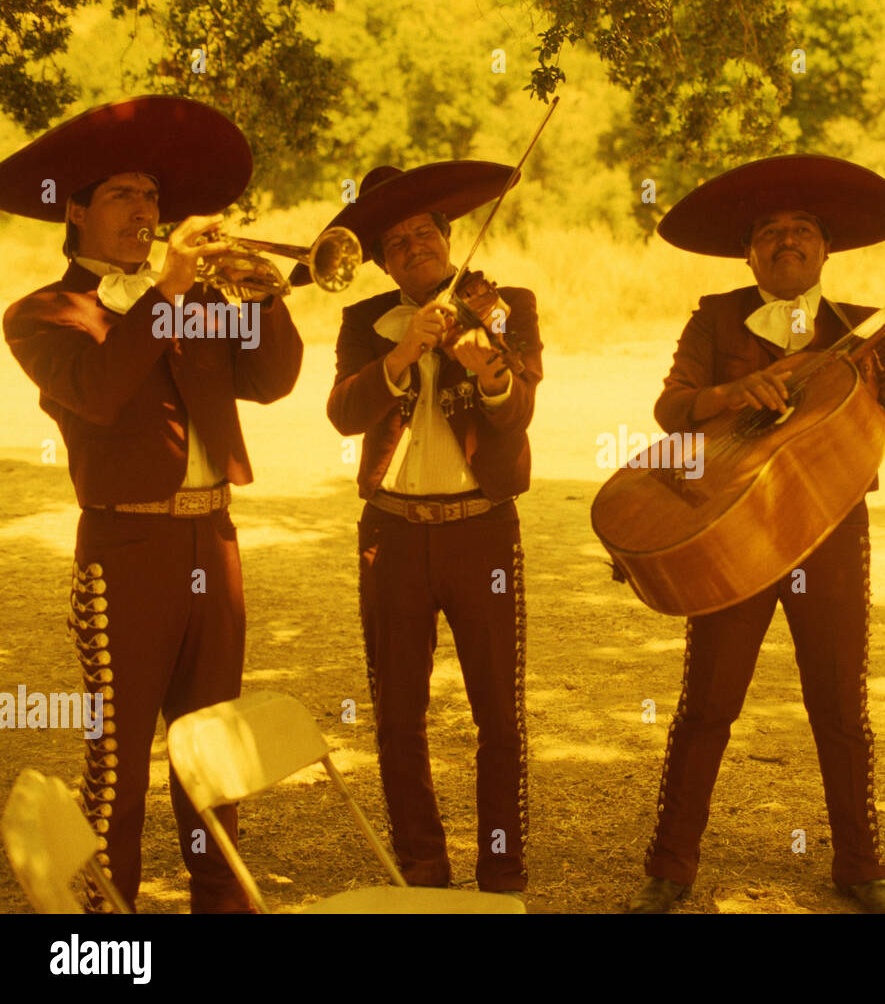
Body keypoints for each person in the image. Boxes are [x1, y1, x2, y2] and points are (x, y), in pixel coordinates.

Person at [1, 96, 303, 912]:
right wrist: (167, 292)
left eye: (150, 194)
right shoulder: (40, 314)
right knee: (119, 762)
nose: (145, 210)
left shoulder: (201, 296)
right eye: (121, 195)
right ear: (75, 212)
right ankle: (106, 930)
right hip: (127, 551)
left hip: (216, 537)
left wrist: (265, 294)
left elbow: (272, 382)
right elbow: (98, 392)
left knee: (218, 754)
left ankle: (223, 905)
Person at [629, 154, 885, 913]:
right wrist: (730, 392)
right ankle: (670, 867)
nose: (786, 240)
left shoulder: (865, 329)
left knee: (837, 702)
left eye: (802, 229)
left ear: (826, 250)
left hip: (830, 529)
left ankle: (860, 865)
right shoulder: (714, 316)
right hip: (727, 528)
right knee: (708, 700)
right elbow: (670, 409)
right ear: (750, 253)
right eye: (770, 231)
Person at [319, 162, 541, 895]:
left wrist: (491, 374)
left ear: (449, 238)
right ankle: (423, 869)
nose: (415, 246)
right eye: (397, 241)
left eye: (425, 232)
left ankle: (501, 870)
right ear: (382, 261)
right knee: (397, 714)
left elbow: (518, 414)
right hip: (393, 530)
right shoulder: (366, 322)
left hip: (482, 529)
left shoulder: (504, 306)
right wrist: (402, 351)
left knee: (499, 714)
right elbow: (343, 414)